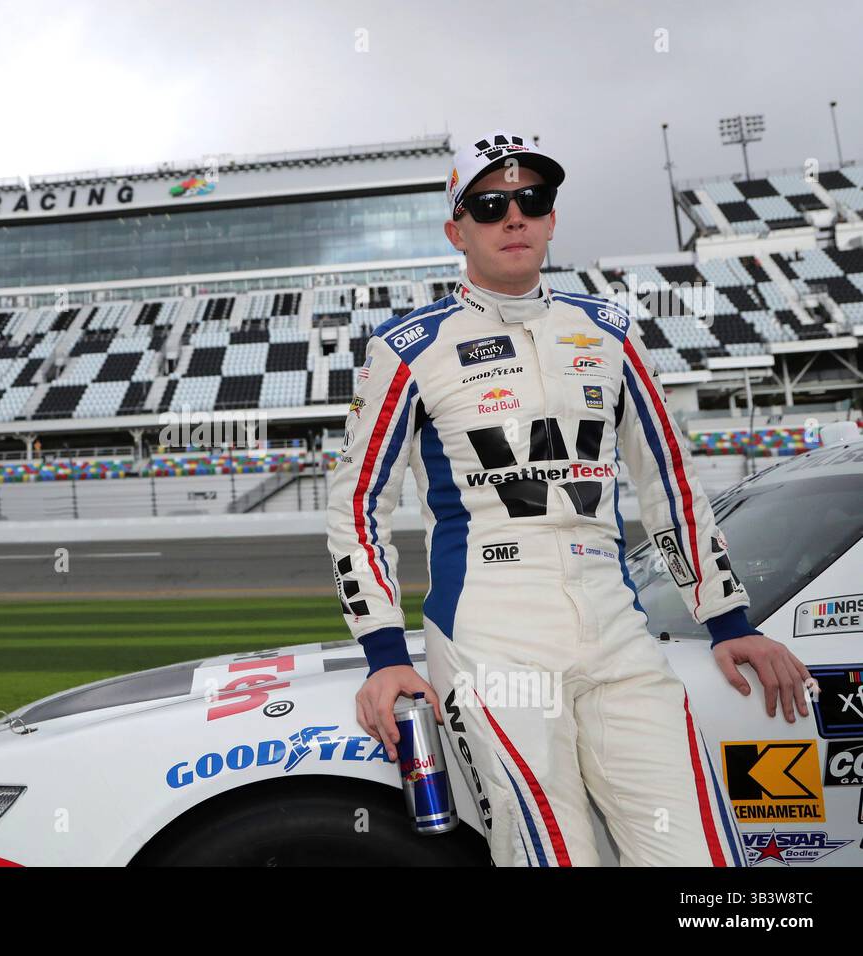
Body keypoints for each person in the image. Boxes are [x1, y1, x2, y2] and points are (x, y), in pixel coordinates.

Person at [325, 129, 811, 867]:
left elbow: (669, 484)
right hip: (493, 636)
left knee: (702, 865)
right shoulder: (406, 348)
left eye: (532, 199)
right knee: (555, 858)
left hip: (617, 631)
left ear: (552, 217)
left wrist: (728, 618)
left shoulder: (609, 330)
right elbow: (357, 508)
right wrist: (384, 651)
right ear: (458, 230)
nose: (514, 217)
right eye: (490, 205)